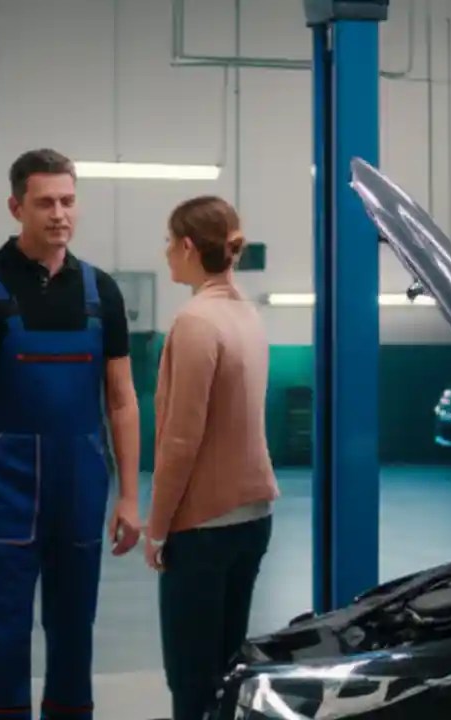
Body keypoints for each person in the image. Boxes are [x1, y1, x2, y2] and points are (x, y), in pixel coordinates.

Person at [0, 148, 143, 720]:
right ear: (16, 206)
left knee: (75, 628)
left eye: (68, 201)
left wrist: (128, 494)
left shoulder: (102, 292)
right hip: (2, 484)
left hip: (80, 484)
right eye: (44, 202)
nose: (58, 214)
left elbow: (121, 398)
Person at [143, 195, 279, 720]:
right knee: (226, 669)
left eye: (168, 243)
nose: (166, 254)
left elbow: (181, 440)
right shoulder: (246, 315)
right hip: (253, 519)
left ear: (186, 245)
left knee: (190, 677)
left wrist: (158, 529)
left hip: (203, 528)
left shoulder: (195, 322)